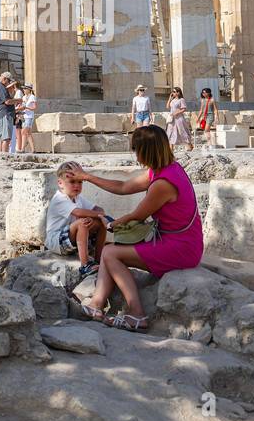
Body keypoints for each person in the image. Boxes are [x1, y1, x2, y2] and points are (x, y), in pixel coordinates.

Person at [64, 126, 202, 332]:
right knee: (111, 249)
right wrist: (87, 177)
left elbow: (138, 215)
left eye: (136, 150)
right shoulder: (164, 169)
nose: (136, 155)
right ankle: (96, 305)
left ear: (145, 151)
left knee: (110, 253)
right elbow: (123, 187)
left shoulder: (162, 183)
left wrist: (111, 223)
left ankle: (137, 314)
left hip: (181, 248)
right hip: (174, 240)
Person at [44, 162, 107, 280]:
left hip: (69, 240)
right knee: (82, 223)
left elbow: (96, 208)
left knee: (100, 223)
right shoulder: (59, 199)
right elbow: (78, 212)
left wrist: (100, 214)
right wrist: (100, 215)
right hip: (56, 241)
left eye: (80, 182)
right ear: (60, 183)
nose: (76, 185)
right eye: (72, 182)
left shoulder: (77, 198)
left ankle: (99, 260)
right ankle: (84, 265)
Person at [0, 71, 17, 153]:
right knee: (6, 138)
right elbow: (7, 101)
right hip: (4, 113)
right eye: (8, 81)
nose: (8, 84)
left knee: (1, 139)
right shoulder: (1, 87)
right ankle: (5, 157)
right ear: (5, 79)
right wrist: (19, 100)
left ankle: (1, 157)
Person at [17, 83, 38, 153]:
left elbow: (34, 107)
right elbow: (22, 106)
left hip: (29, 117)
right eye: (23, 88)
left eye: (25, 88)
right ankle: (33, 149)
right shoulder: (23, 97)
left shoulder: (32, 97)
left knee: (23, 132)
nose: (24, 90)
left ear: (29, 89)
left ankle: (23, 149)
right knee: (28, 133)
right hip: (24, 116)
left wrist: (26, 107)